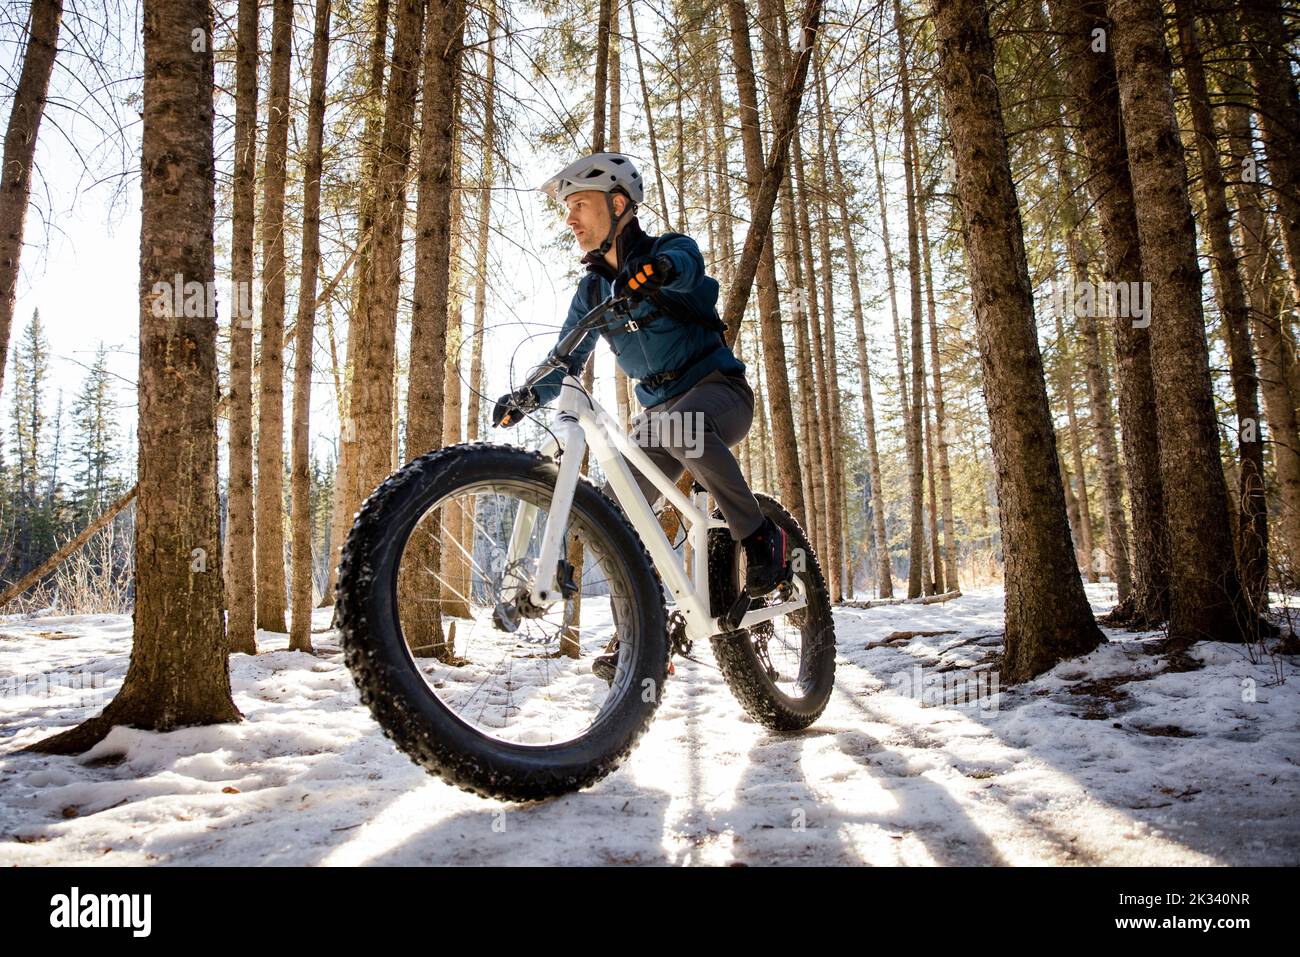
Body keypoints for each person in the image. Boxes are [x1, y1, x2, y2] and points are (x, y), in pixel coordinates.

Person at [492, 152, 791, 603]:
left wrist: (659, 272)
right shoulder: (592, 289)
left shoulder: (666, 250)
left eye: (579, 205)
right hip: (659, 419)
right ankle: (643, 634)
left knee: (677, 428)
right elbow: (566, 358)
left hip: (719, 394)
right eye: (566, 209)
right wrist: (527, 395)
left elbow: (687, 265)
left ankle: (761, 538)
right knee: (613, 514)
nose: (569, 219)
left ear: (616, 204)